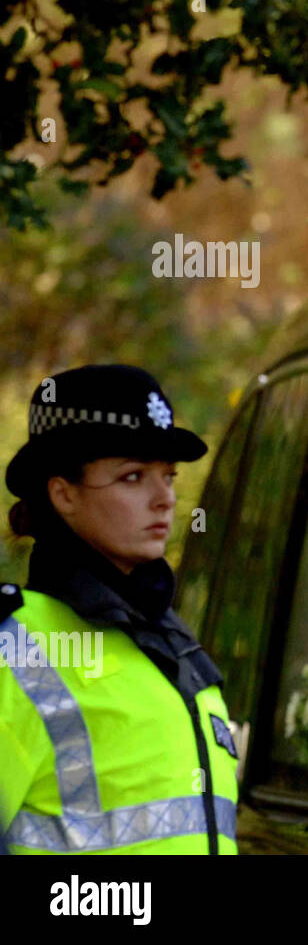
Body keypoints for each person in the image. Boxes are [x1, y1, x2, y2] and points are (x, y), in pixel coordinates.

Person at [0, 365, 238, 854]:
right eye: (133, 477)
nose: (165, 498)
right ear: (63, 493)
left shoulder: (174, 644)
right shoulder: (15, 651)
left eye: (168, 476)